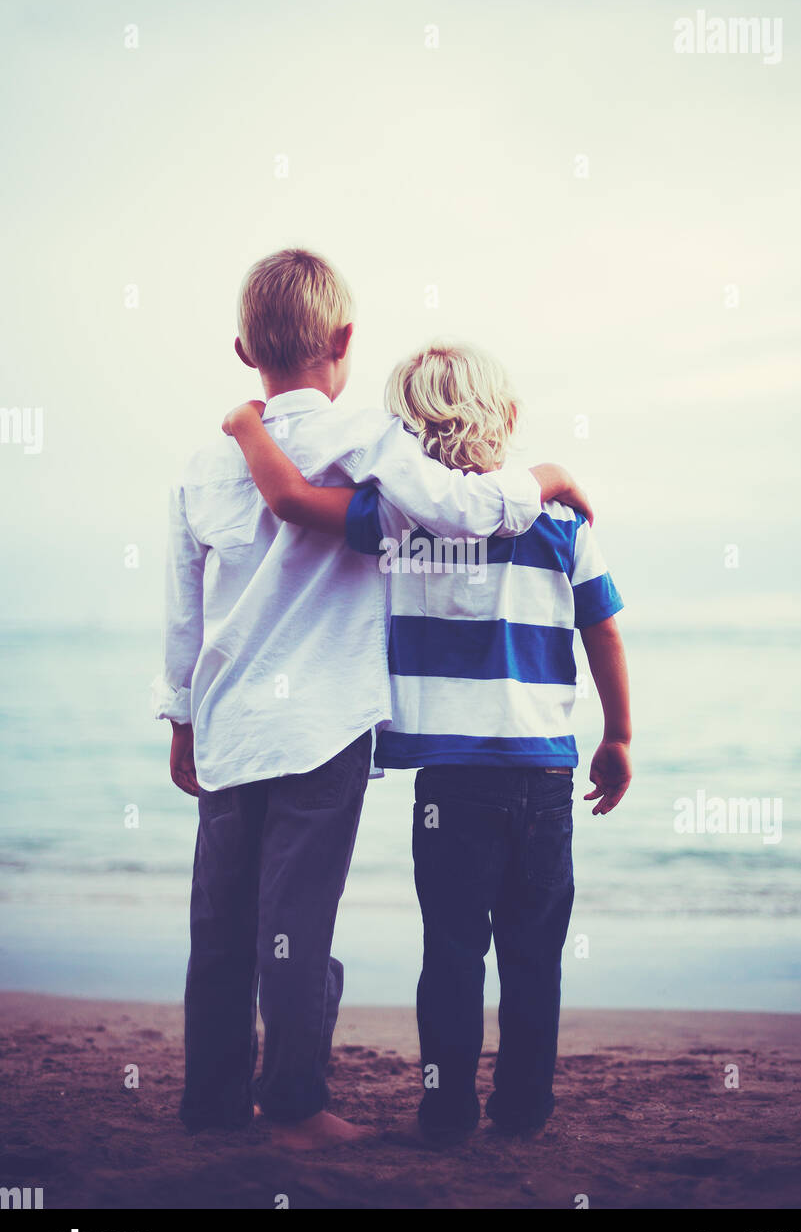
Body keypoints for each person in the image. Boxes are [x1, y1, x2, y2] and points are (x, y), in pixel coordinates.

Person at [154, 250, 588, 1149]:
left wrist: (181, 719)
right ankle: (296, 1105)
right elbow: (468, 512)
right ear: (346, 341)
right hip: (325, 728)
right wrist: (542, 479)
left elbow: (182, 613)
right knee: (297, 924)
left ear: (244, 348)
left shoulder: (202, 463)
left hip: (231, 721)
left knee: (221, 923)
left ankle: (212, 1102)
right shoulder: (366, 442)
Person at [222, 339, 631, 1146]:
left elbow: (295, 502)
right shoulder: (560, 525)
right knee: (533, 956)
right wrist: (617, 734)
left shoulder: (394, 520)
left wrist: (248, 428)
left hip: (450, 786)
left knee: (450, 954)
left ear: (403, 432)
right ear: (507, 417)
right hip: (544, 778)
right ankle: (522, 1111)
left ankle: (446, 1112)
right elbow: (604, 630)